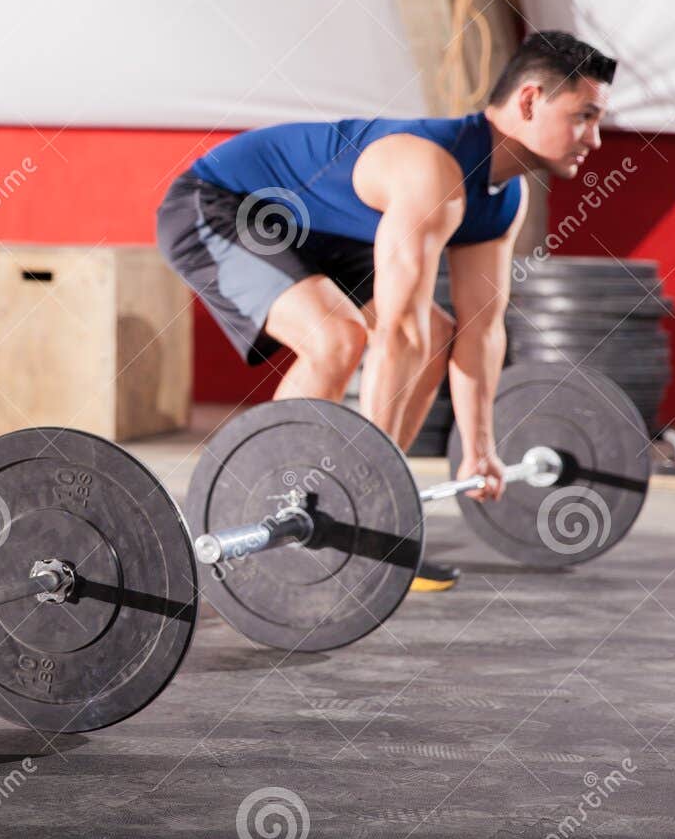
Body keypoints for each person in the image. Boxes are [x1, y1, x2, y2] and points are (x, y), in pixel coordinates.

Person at [157, 31, 615, 590]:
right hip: (220, 202)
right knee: (338, 338)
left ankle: (368, 519)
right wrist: (362, 483)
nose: (593, 138)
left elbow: (481, 329)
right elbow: (396, 332)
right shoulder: (434, 172)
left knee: (439, 332)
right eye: (583, 116)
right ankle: (250, 500)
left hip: (318, 232)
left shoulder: (504, 199)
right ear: (528, 101)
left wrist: (478, 450)